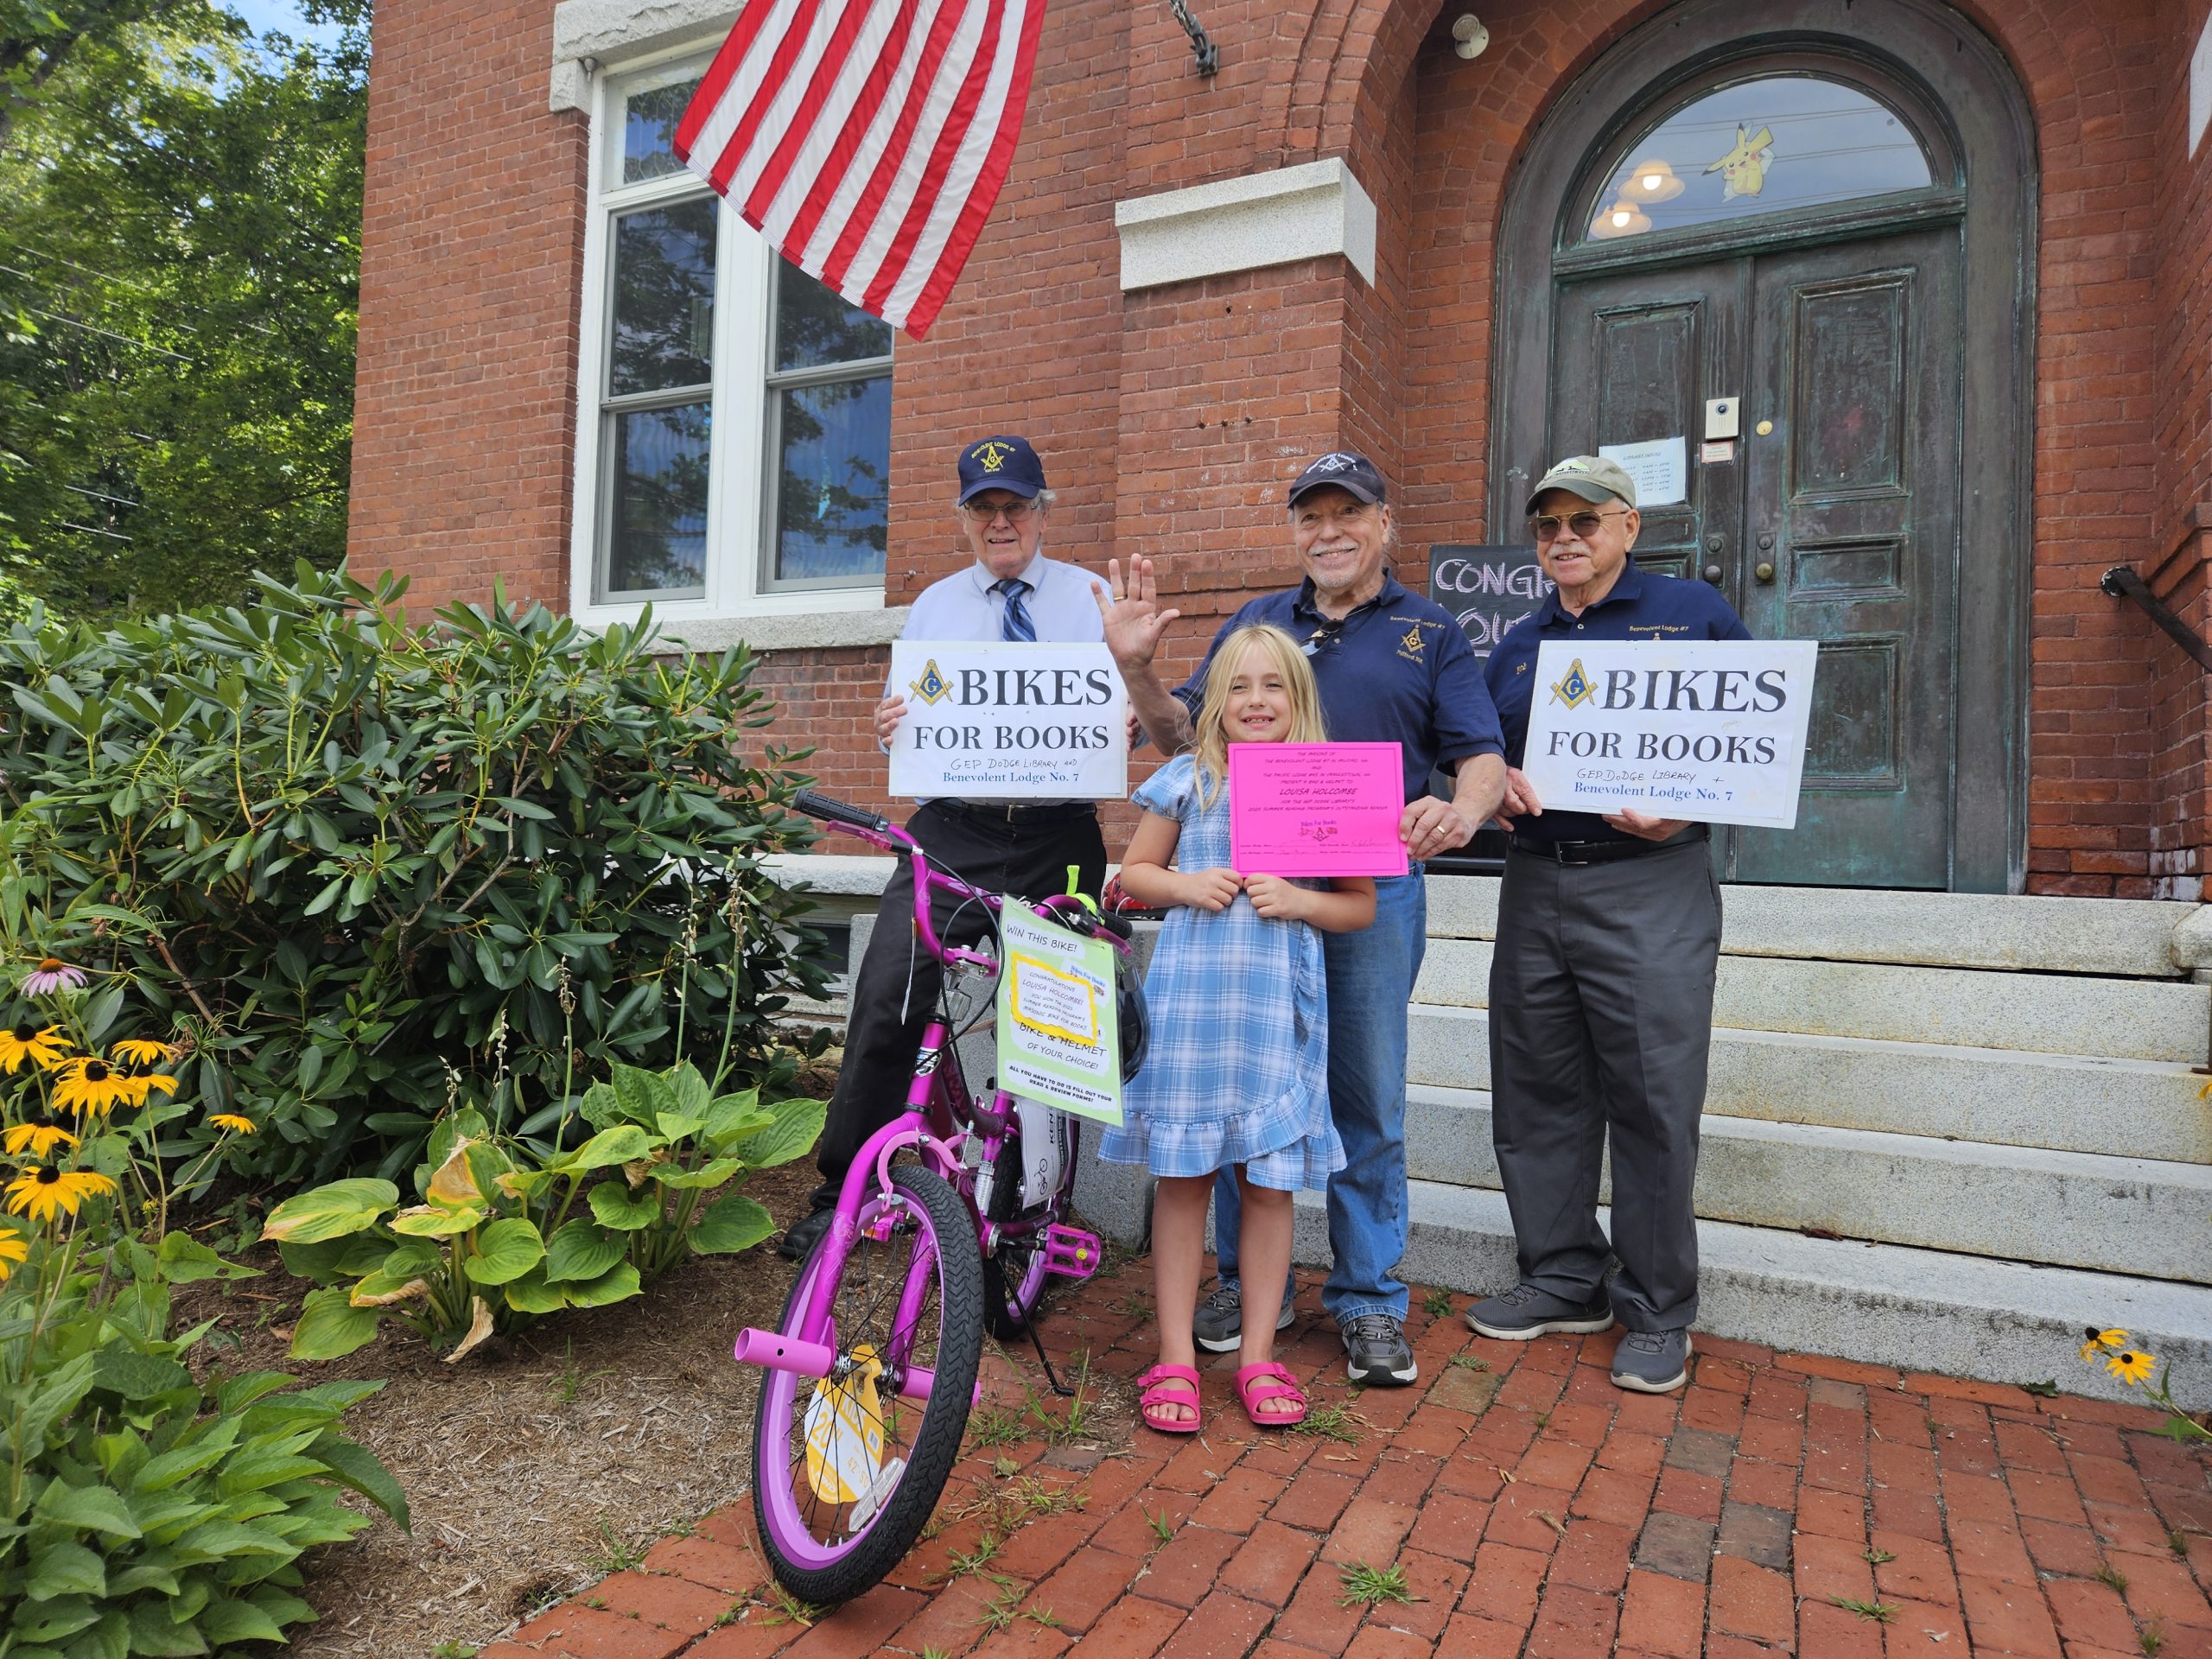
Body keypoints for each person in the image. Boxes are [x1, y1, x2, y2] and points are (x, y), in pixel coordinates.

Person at [1104, 450, 1507, 1386]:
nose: (1328, 531)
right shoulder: (1257, 628)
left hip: (1359, 884)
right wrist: (1136, 672)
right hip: (1240, 914)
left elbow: (1478, 754)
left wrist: (1466, 811)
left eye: (1347, 512)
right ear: (1294, 532)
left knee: (1365, 1093)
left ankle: (1367, 1300)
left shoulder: (1429, 631)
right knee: (1245, 1087)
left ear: (1382, 523)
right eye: (1310, 516)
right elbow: (1184, 741)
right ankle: (1252, 1287)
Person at [779, 435, 1109, 1262]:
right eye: (984, 508)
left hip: (1056, 830)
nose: (1002, 522)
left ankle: (1031, 1206)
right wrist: (892, 727)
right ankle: (843, 1193)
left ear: (1043, 509)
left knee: (1052, 1028)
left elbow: (1132, 706)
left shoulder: (1092, 597)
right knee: (889, 995)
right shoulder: (933, 607)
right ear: (965, 519)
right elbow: (914, 726)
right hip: (951, 827)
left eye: (1017, 505)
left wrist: (1127, 705)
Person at [1468, 454, 1750, 1394]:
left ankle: (1659, 1307)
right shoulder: (1512, 647)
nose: (1564, 540)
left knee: (1653, 1097)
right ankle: (1560, 1276)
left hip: (1649, 882)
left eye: (1583, 523)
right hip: (1538, 881)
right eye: (1548, 525)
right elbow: (1472, 757)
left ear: (1628, 526)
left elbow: (1755, 739)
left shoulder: (1695, 616)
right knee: (1536, 1088)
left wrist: (1688, 810)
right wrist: (1488, 788)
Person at [1103, 624, 1374, 1433]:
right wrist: (1185, 885)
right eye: (1241, 687)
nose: (1257, 702)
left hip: (1274, 1012)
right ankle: (1177, 1357)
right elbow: (1134, 876)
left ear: (1300, 701)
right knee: (1183, 1184)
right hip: (1192, 1007)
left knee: (1268, 1184)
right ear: (1218, 700)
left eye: (1275, 687)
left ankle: (1258, 1354)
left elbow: (1358, 905)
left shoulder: (1325, 783)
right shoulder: (1190, 779)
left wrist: (1300, 900)